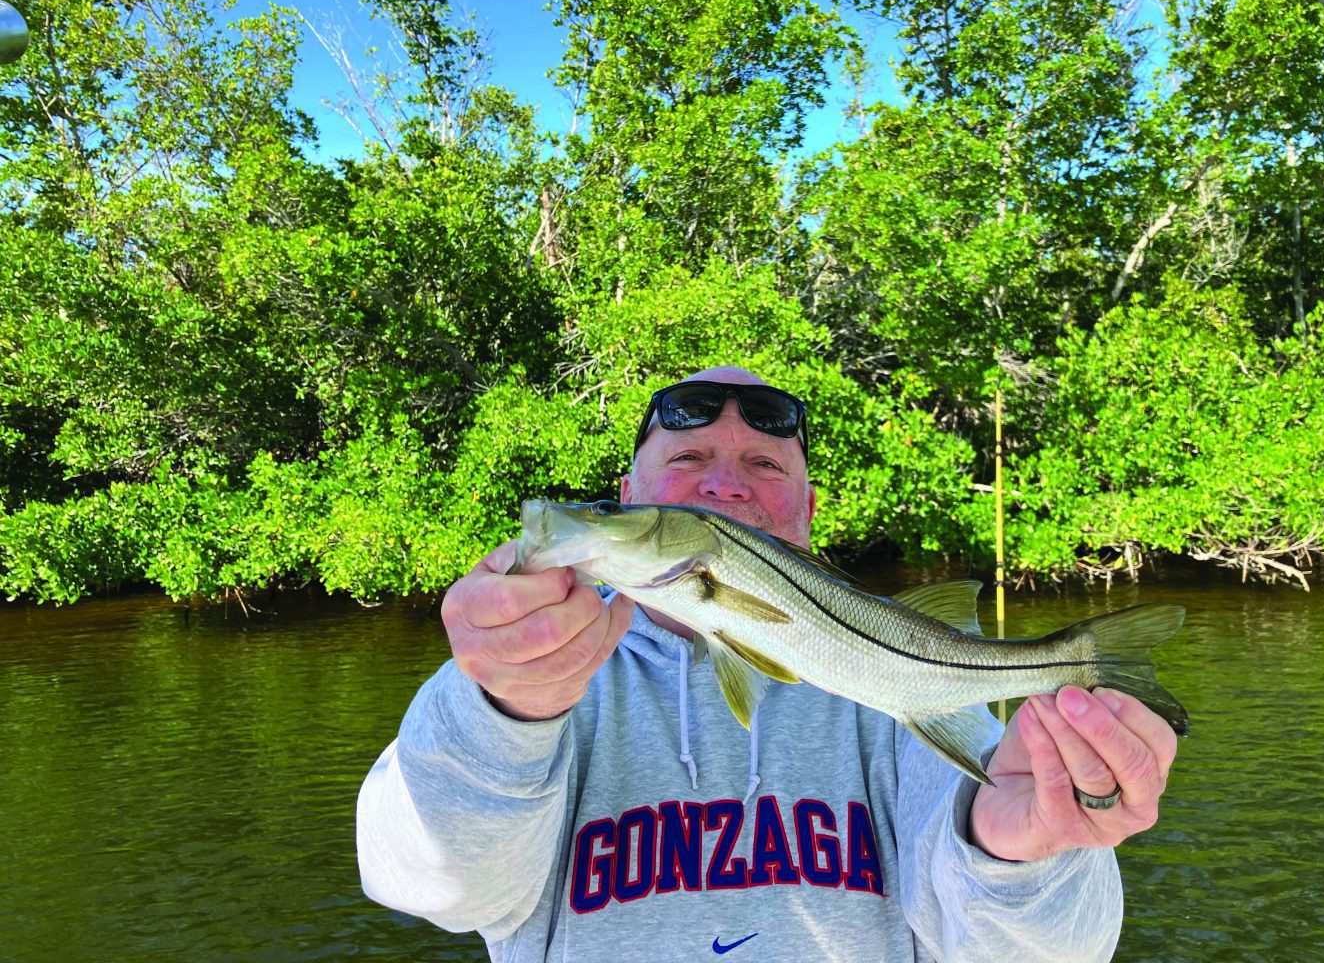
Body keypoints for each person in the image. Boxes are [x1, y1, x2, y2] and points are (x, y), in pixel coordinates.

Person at [356, 366, 1179, 962]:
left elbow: (1052, 954)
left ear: (810, 508)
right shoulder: (512, 673)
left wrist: (1017, 857)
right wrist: (504, 714)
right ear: (630, 489)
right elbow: (428, 887)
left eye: (763, 464)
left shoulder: (916, 710)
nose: (723, 487)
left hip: (910, 669)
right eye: (685, 460)